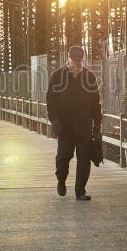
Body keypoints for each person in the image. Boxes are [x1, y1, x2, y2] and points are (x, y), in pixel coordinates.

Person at [47, 45, 102, 201]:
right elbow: (50, 100)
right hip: (64, 127)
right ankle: (61, 180)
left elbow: (95, 102)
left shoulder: (89, 77)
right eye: (74, 60)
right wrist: (54, 120)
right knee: (63, 156)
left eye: (79, 60)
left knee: (84, 159)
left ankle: (80, 191)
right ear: (68, 58)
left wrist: (97, 123)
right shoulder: (57, 76)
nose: (77, 64)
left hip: (84, 125)